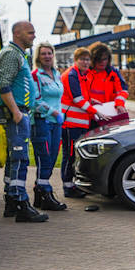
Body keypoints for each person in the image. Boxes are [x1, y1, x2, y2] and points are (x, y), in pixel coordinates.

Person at [0, 22, 49, 223]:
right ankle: (20, 202)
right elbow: (3, 83)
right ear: (17, 34)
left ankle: (11, 201)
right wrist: (16, 111)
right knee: (20, 158)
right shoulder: (11, 54)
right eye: (30, 32)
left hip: (21, 112)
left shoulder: (18, 54)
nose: (34, 36)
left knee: (14, 158)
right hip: (16, 114)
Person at [28, 41, 67, 212]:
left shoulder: (57, 74)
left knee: (51, 159)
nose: (47, 56)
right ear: (38, 56)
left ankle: (40, 192)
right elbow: (34, 101)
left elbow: (58, 97)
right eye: (43, 54)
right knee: (44, 160)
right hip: (42, 122)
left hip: (55, 124)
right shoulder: (35, 75)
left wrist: (60, 113)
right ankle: (46, 194)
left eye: (49, 53)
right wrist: (54, 113)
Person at [60, 47, 95, 194]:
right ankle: (68, 187)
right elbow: (78, 99)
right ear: (76, 61)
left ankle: (73, 185)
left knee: (74, 155)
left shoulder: (82, 75)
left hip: (79, 123)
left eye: (87, 59)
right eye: (82, 59)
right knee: (69, 155)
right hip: (70, 124)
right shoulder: (72, 75)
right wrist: (96, 111)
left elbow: (84, 97)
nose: (85, 62)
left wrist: (95, 102)